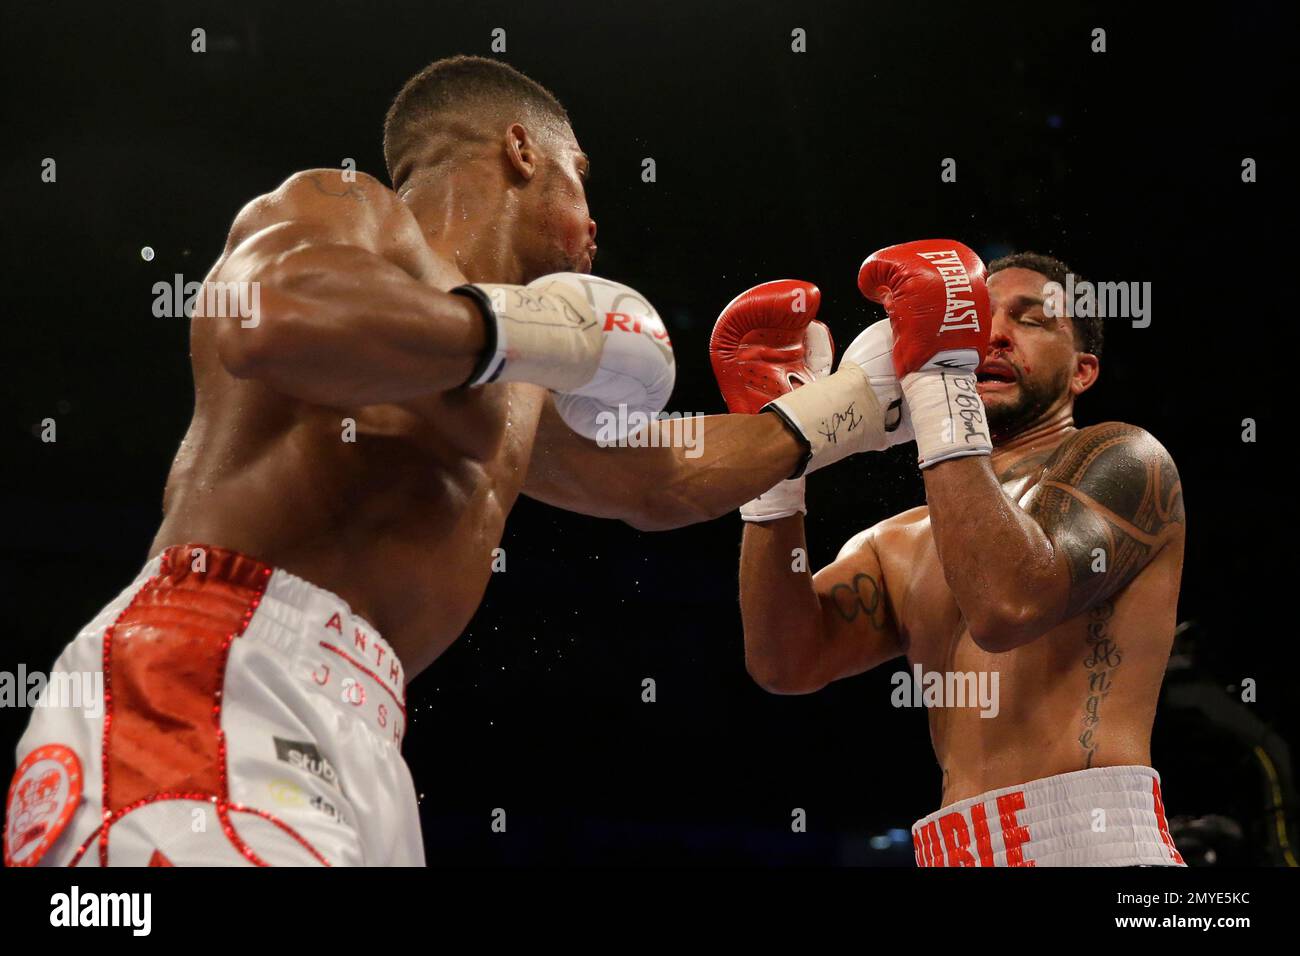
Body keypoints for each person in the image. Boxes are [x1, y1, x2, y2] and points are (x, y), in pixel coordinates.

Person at [5, 56, 820, 867]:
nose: (596, 225)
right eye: (582, 176)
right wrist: (527, 333)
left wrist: (853, 402)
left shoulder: (515, 373)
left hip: (361, 732)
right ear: (521, 149)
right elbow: (267, 320)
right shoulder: (349, 213)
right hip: (215, 675)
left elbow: (658, 481)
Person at [711, 241, 1186, 866]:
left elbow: (1007, 605)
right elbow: (783, 662)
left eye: (1032, 319)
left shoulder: (1127, 460)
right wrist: (779, 463)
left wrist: (937, 384)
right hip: (952, 847)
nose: (994, 335)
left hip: (1094, 843)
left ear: (1082, 371)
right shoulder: (898, 541)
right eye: (973, 316)